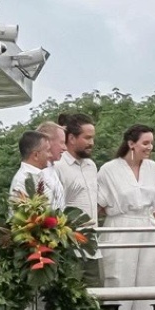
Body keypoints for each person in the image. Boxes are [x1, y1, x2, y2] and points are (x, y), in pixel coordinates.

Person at [98, 124, 155, 310]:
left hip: (148, 228)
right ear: (131, 144)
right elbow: (99, 205)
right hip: (120, 227)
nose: (150, 147)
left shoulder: (153, 168)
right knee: (119, 283)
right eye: (145, 143)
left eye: (151, 143)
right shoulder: (109, 170)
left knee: (150, 286)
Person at [9, 131, 65, 310]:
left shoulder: (43, 174)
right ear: (35, 154)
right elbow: (22, 217)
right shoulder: (23, 179)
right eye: (46, 150)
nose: (50, 154)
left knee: (42, 306)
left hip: (49, 243)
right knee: (33, 307)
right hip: (33, 246)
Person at [53, 112, 103, 288]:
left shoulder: (91, 166)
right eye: (87, 138)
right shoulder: (58, 166)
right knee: (70, 297)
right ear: (72, 138)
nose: (91, 143)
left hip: (91, 247)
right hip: (69, 248)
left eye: (92, 138)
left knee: (96, 297)